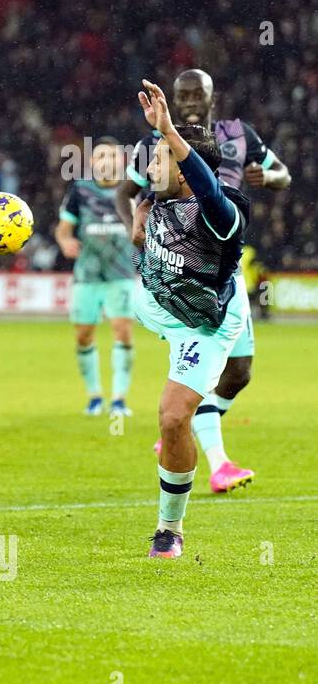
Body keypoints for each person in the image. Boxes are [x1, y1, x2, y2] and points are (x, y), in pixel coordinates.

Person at [117, 68, 290, 492]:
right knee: (195, 362)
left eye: (198, 94)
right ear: (174, 100)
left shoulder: (238, 135)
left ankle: (181, 425)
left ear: (213, 97)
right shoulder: (155, 143)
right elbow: (127, 191)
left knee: (240, 372)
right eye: (183, 95)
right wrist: (135, 231)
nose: (191, 101)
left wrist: (266, 178)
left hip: (224, 256)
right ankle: (215, 460)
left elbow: (283, 175)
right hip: (183, 263)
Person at [129, 81, 250, 560]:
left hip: (205, 321)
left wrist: (170, 133)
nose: (151, 166)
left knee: (173, 418)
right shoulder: (157, 195)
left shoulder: (223, 213)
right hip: (158, 300)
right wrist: (138, 228)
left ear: (183, 168)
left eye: (159, 159)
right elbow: (143, 204)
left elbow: (205, 187)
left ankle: (169, 529)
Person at [55, 138, 136, 416]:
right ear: (91, 162)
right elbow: (64, 229)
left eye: (111, 156)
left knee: (122, 331)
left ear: (120, 161)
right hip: (87, 275)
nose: (106, 161)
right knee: (84, 336)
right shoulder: (80, 190)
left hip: (121, 273)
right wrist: (65, 242)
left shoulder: (132, 189)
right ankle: (94, 396)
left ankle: (119, 399)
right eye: (100, 156)